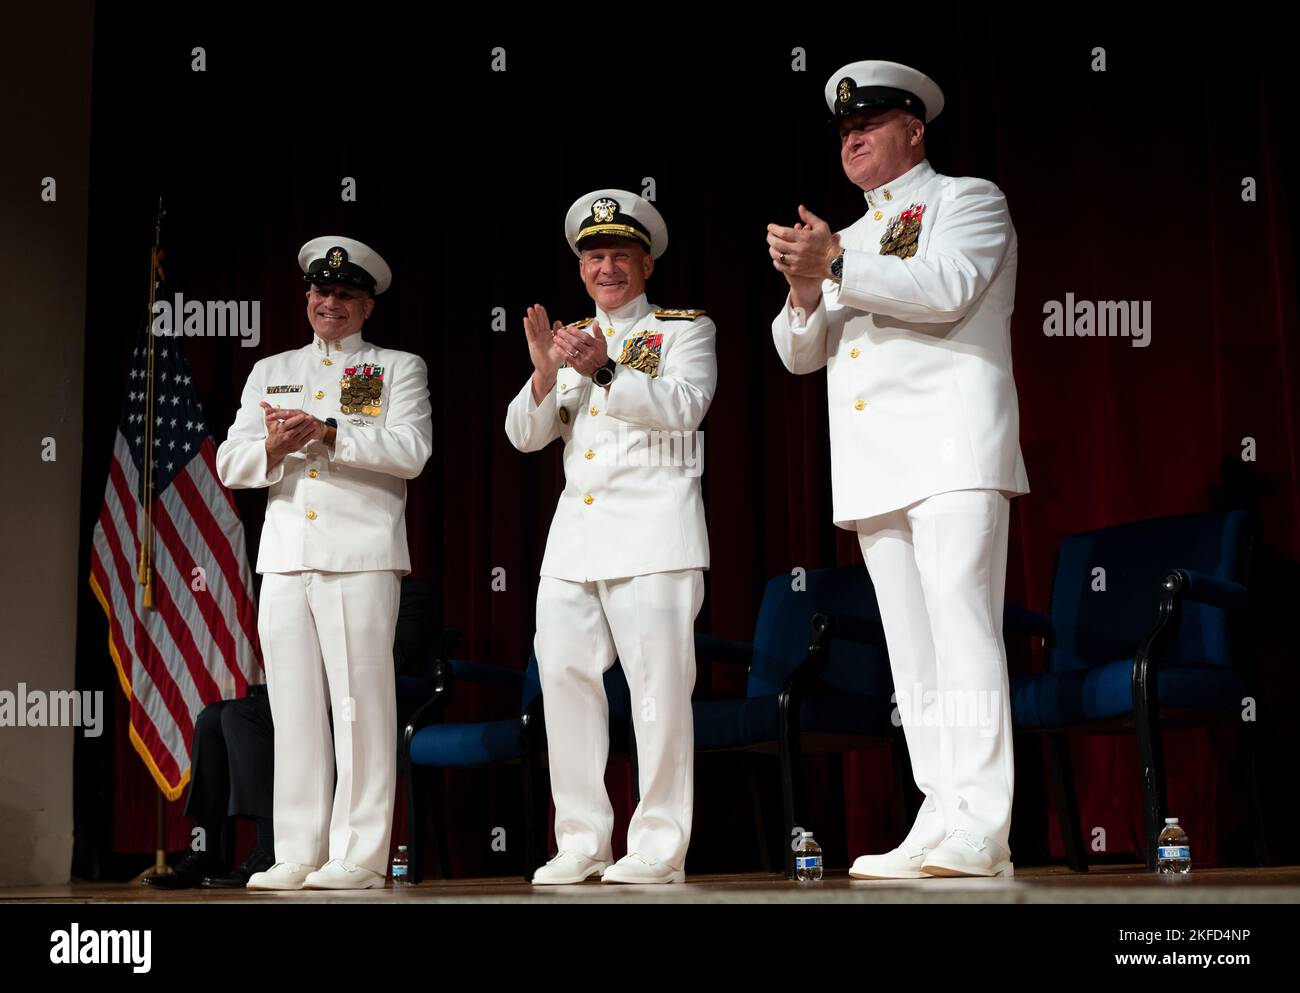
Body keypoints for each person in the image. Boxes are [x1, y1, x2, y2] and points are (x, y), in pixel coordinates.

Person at [767, 61, 1028, 879]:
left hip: (953, 452)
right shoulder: (848, 236)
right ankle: (940, 807)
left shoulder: (967, 200)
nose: (853, 138)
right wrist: (805, 289)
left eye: (869, 124)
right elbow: (799, 354)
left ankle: (983, 822)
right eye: (845, 131)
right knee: (912, 653)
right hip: (878, 469)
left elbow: (947, 289)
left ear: (915, 129)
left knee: (963, 630)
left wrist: (836, 261)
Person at [505, 189, 716, 884]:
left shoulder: (684, 329)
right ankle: (582, 838)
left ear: (647, 263)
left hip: (656, 538)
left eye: (620, 255)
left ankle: (657, 841)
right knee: (564, 684)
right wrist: (545, 370)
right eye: (595, 255)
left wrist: (603, 367)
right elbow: (524, 435)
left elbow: (684, 409)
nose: (607, 266)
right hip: (574, 544)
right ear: (581, 268)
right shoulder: (565, 341)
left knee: (656, 693)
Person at [216, 237, 433, 889]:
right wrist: (274, 448)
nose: (328, 302)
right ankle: (297, 851)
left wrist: (330, 431)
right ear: (307, 297)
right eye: (320, 291)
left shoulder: (396, 367)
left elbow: (411, 449)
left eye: (343, 294)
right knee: (293, 707)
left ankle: (361, 855)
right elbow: (232, 460)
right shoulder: (271, 369)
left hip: (360, 555)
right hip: (285, 557)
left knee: (359, 706)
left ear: (367, 304)